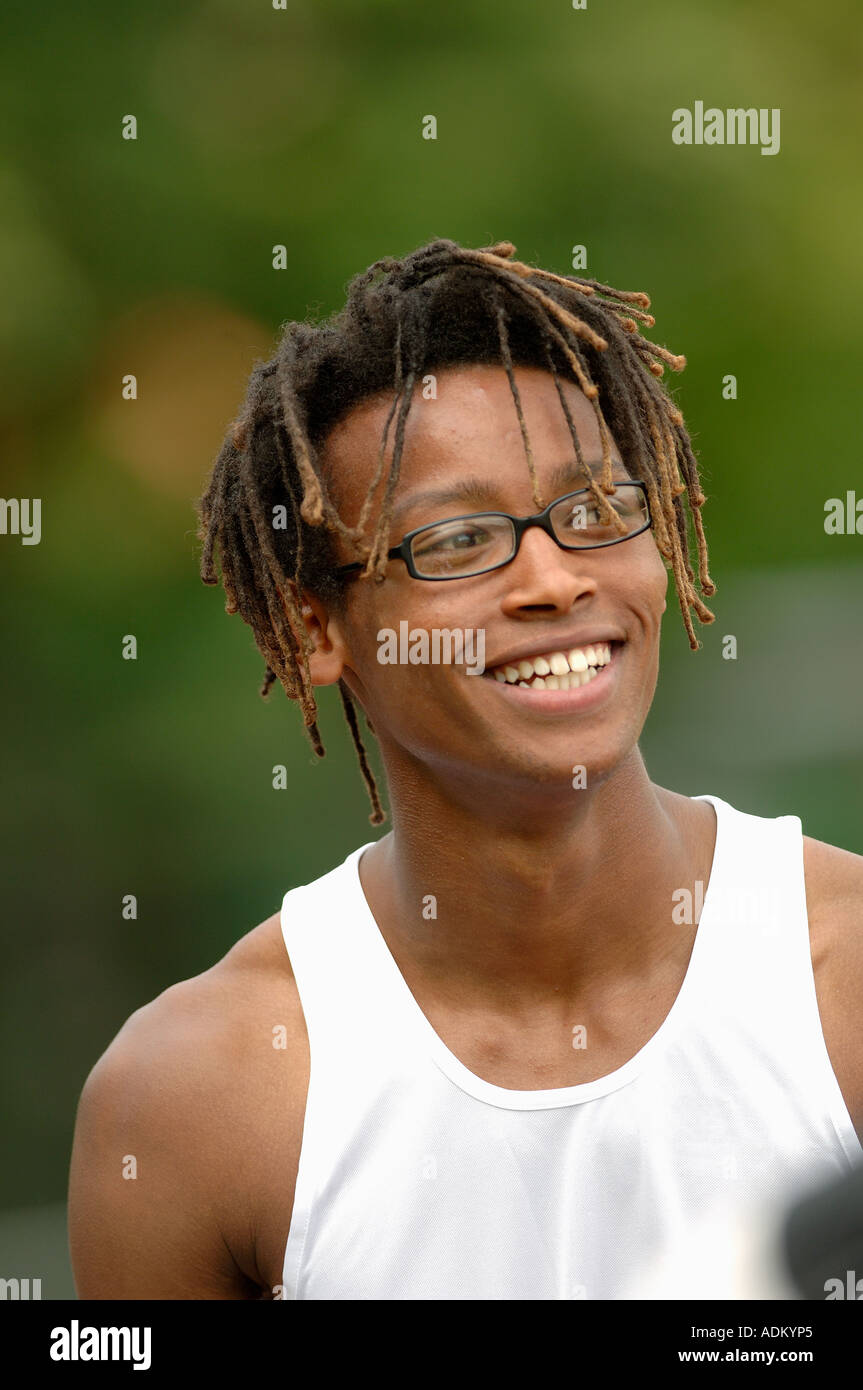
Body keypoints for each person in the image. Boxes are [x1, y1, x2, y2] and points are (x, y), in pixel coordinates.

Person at [68, 238, 863, 1299]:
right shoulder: (194, 1099)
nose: (551, 577)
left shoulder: (840, 977)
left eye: (592, 512)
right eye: (455, 541)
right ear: (314, 627)